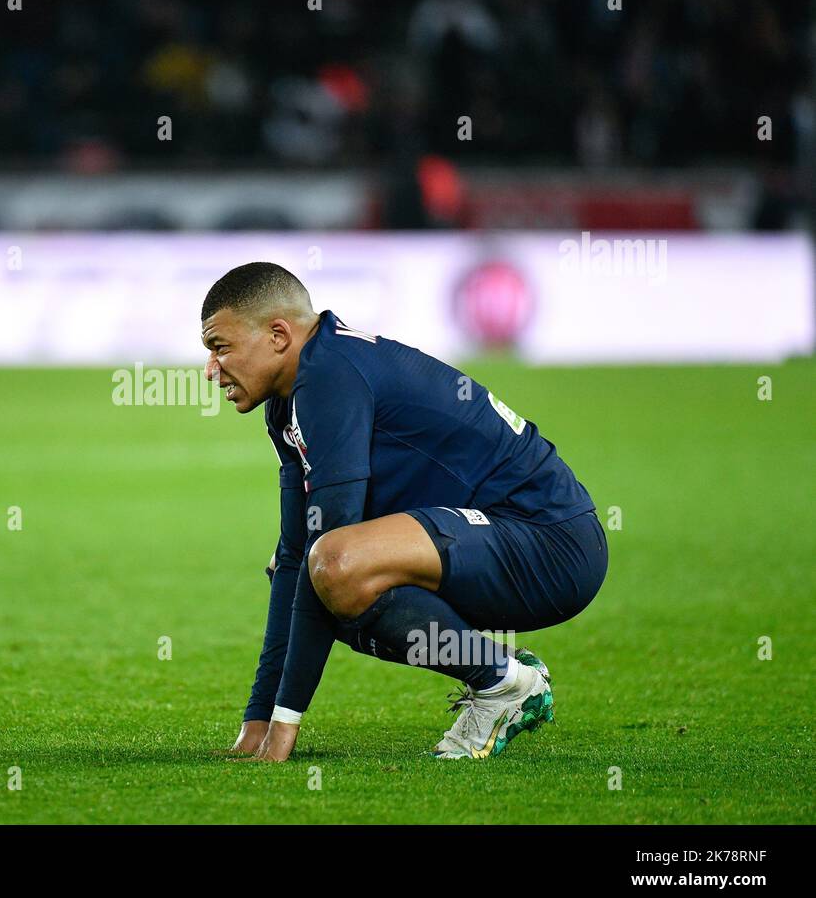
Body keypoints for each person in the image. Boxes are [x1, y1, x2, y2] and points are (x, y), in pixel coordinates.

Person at [201, 262, 607, 760]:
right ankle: (499, 674)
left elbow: (328, 549)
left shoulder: (330, 375)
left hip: (550, 543)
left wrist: (285, 729)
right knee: (314, 571)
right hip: (497, 541)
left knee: (336, 566)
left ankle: (502, 684)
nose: (211, 369)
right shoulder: (291, 399)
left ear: (278, 334)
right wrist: (257, 720)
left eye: (220, 347)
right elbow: (293, 556)